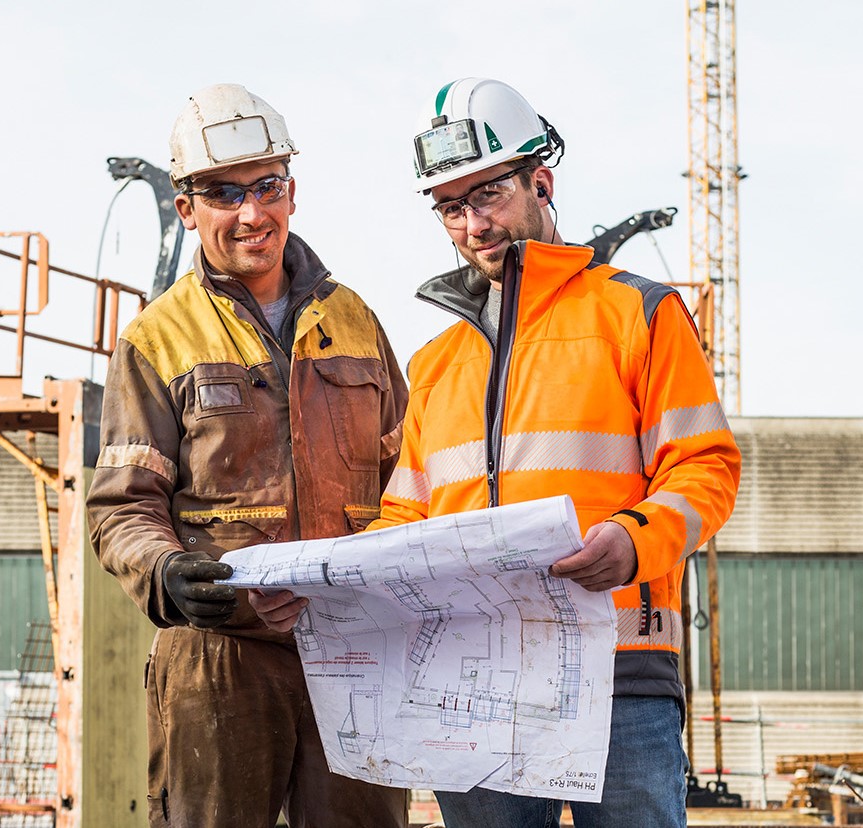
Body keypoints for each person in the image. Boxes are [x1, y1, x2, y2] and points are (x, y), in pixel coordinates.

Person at [251, 77, 741, 827]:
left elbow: (705, 467)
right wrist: (324, 590)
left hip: (619, 672)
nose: (473, 223)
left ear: (540, 183)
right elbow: (406, 521)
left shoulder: (639, 313)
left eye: (489, 195)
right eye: (451, 206)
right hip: (468, 685)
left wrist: (635, 540)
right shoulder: (437, 363)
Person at [86, 83, 410, 828]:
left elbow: (410, 477)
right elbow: (124, 507)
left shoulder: (356, 322)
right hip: (218, 658)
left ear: (292, 191)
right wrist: (168, 573)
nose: (251, 213)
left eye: (266, 187)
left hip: (355, 650)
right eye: (223, 194)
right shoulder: (157, 339)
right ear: (185, 208)